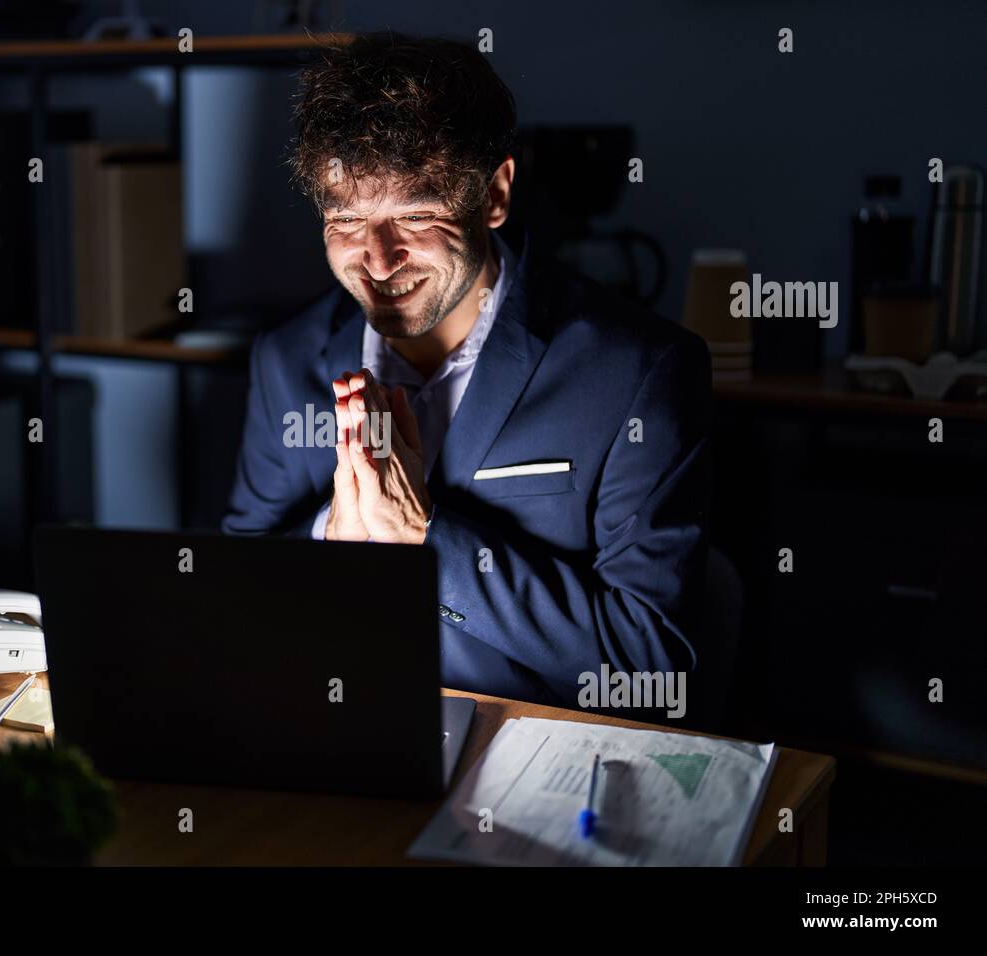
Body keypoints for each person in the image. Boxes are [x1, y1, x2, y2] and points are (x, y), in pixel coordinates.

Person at [223, 34, 712, 707]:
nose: (378, 258)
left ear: (493, 195)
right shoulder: (285, 359)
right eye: (346, 218)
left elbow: (653, 669)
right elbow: (232, 595)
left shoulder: (639, 372)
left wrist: (426, 535)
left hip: (533, 759)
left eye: (417, 215)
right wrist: (330, 538)